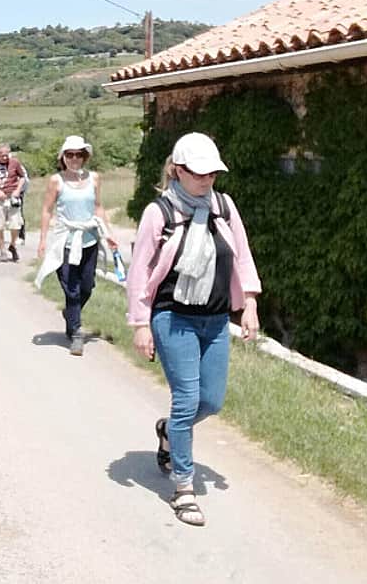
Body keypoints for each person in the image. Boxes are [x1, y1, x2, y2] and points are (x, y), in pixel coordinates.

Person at [125, 132, 261, 527]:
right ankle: (183, 486)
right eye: (199, 173)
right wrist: (140, 324)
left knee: (212, 401)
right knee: (186, 399)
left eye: (212, 174)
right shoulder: (160, 213)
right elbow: (139, 272)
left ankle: (169, 431)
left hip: (215, 320)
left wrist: (250, 304)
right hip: (173, 317)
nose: (206, 180)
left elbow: (242, 256)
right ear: (177, 170)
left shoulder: (224, 206)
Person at [35, 135, 117, 356]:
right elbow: (47, 210)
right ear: (63, 157)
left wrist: (108, 233)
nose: (74, 159)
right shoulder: (56, 181)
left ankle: (71, 314)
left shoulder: (94, 178)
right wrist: (42, 239)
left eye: (79, 154)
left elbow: (98, 206)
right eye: (70, 154)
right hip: (66, 241)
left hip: (89, 239)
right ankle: (76, 333)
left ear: (85, 157)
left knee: (87, 286)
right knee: (71, 289)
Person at [0, 142, 26, 262]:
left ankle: (12, 245)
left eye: (7, 154)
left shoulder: (15, 163)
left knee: (16, 225)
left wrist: (18, 190)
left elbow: (22, 177)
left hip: (12, 197)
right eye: (2, 155)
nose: (5, 157)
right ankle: (2, 251)